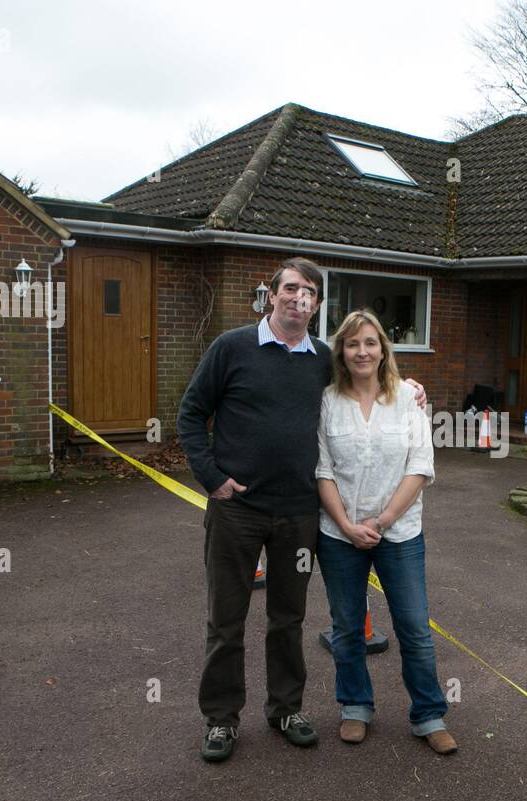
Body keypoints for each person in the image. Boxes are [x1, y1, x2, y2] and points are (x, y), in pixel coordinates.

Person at [177, 258, 425, 762]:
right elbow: (190, 414)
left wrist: (414, 387)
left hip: (298, 515)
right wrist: (212, 478)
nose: (300, 298)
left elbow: (370, 375)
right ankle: (221, 719)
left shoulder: (320, 360)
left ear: (317, 304)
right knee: (226, 620)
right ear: (272, 294)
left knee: (287, 618)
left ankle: (285, 708)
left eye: (310, 292)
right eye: (291, 288)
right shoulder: (232, 348)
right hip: (237, 512)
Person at [315, 309, 456, 755]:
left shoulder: (409, 400)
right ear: (342, 351)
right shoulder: (327, 401)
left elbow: (420, 466)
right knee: (347, 626)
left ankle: (428, 714)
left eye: (370, 343)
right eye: (353, 344)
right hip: (339, 535)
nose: (362, 351)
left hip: (400, 533)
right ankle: (355, 706)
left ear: (383, 350)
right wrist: (345, 524)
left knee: (415, 627)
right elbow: (322, 470)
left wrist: (380, 522)